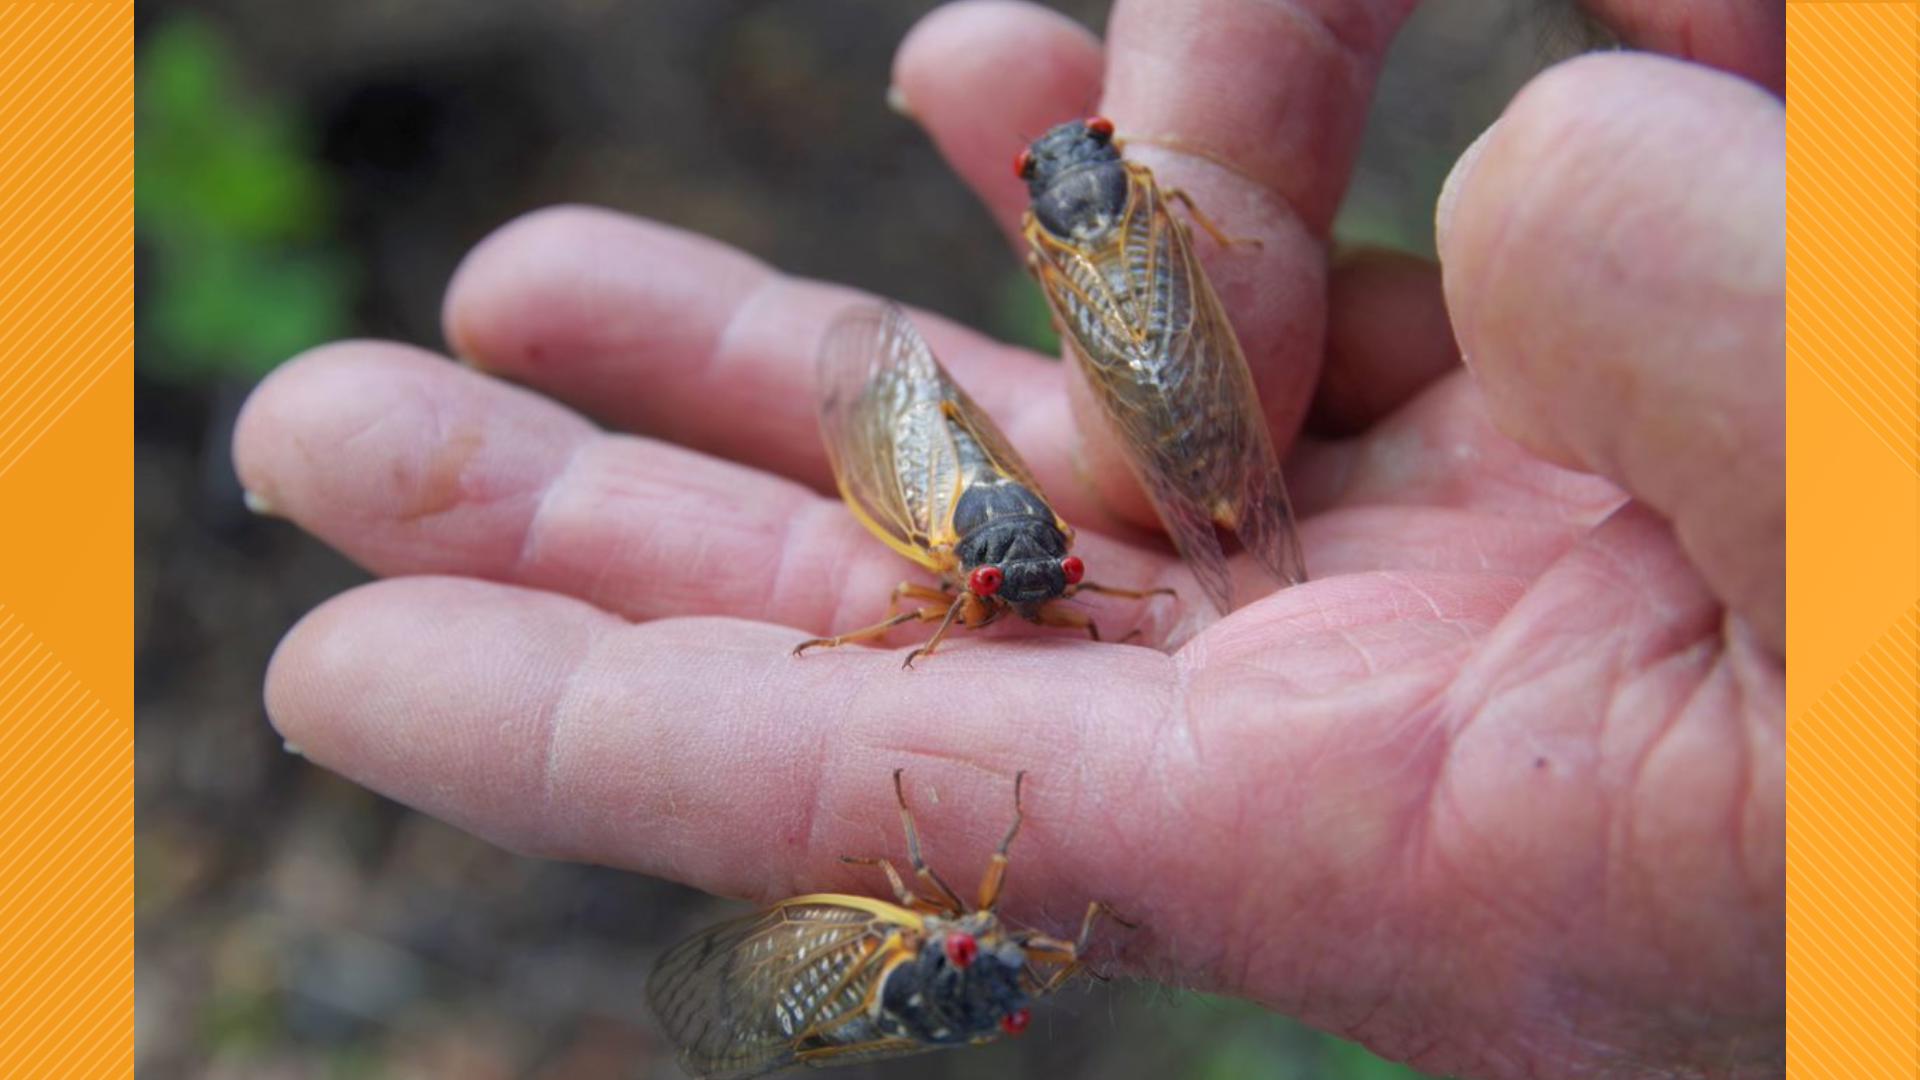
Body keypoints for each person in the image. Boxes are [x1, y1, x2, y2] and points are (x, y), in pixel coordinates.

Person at [231, 2, 1784, 1076]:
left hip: (1060, 442)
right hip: (1002, 464)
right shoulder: (971, 841)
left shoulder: (1093, 308)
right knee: (1128, 393)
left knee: (1148, 393)